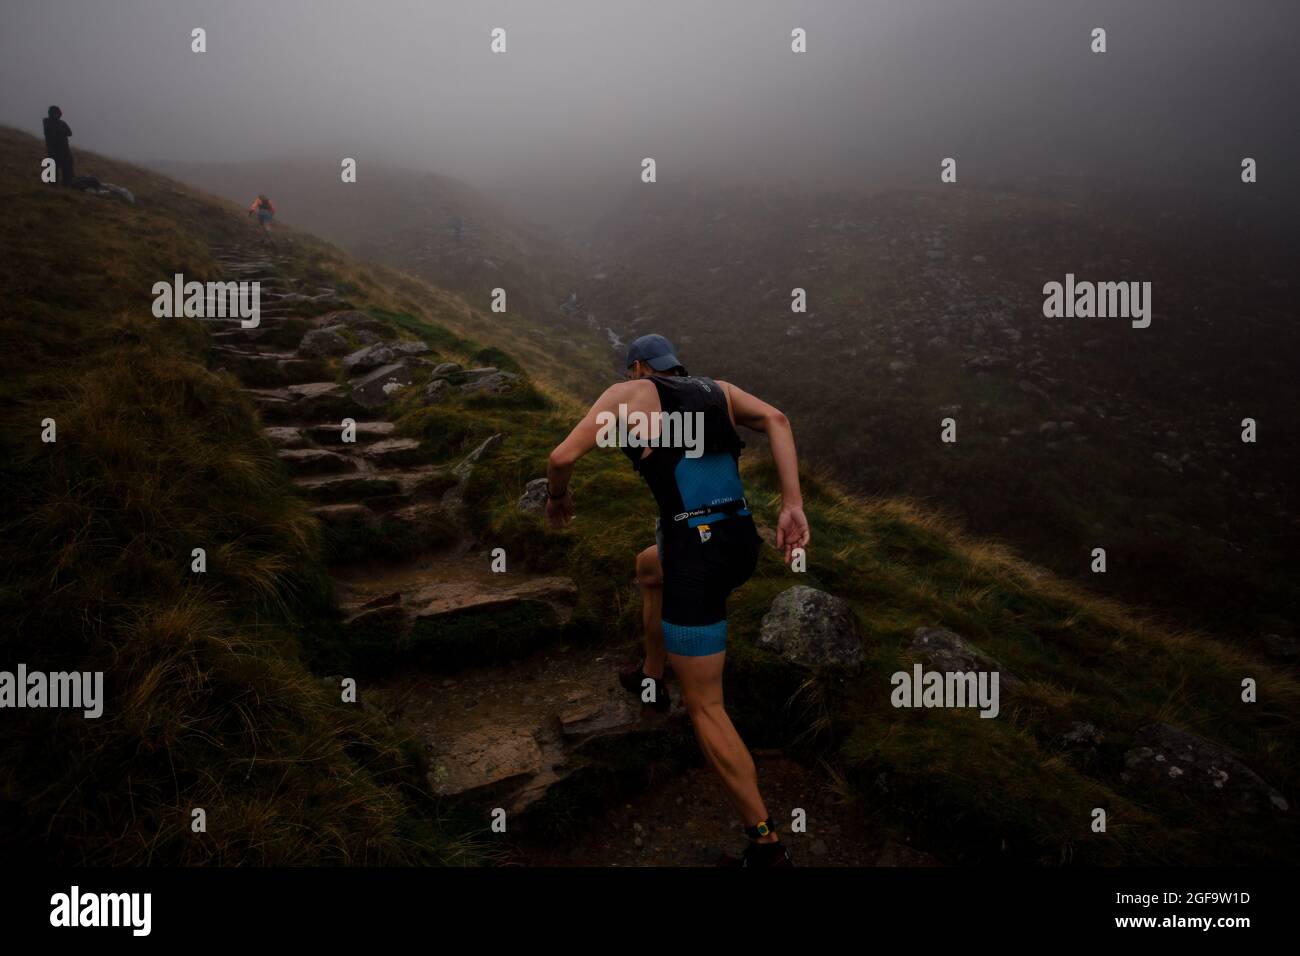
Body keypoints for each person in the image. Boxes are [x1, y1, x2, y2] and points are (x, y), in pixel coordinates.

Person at [545, 333, 811, 867]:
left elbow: (560, 456)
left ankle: (765, 844)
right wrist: (791, 505)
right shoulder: (719, 390)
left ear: (638, 367)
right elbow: (778, 420)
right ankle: (650, 675)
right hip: (737, 542)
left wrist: (558, 495)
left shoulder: (626, 394)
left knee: (706, 706)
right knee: (649, 567)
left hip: (695, 558)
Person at [42, 106, 73, 186]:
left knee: (67, 169)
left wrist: (60, 131)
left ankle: (67, 183)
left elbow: (69, 133)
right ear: (50, 113)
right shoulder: (47, 122)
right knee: (52, 169)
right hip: (53, 150)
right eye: (54, 113)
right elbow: (49, 133)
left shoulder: (62, 123)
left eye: (57, 113)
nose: (56, 115)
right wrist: (60, 131)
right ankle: (52, 184)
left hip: (64, 150)